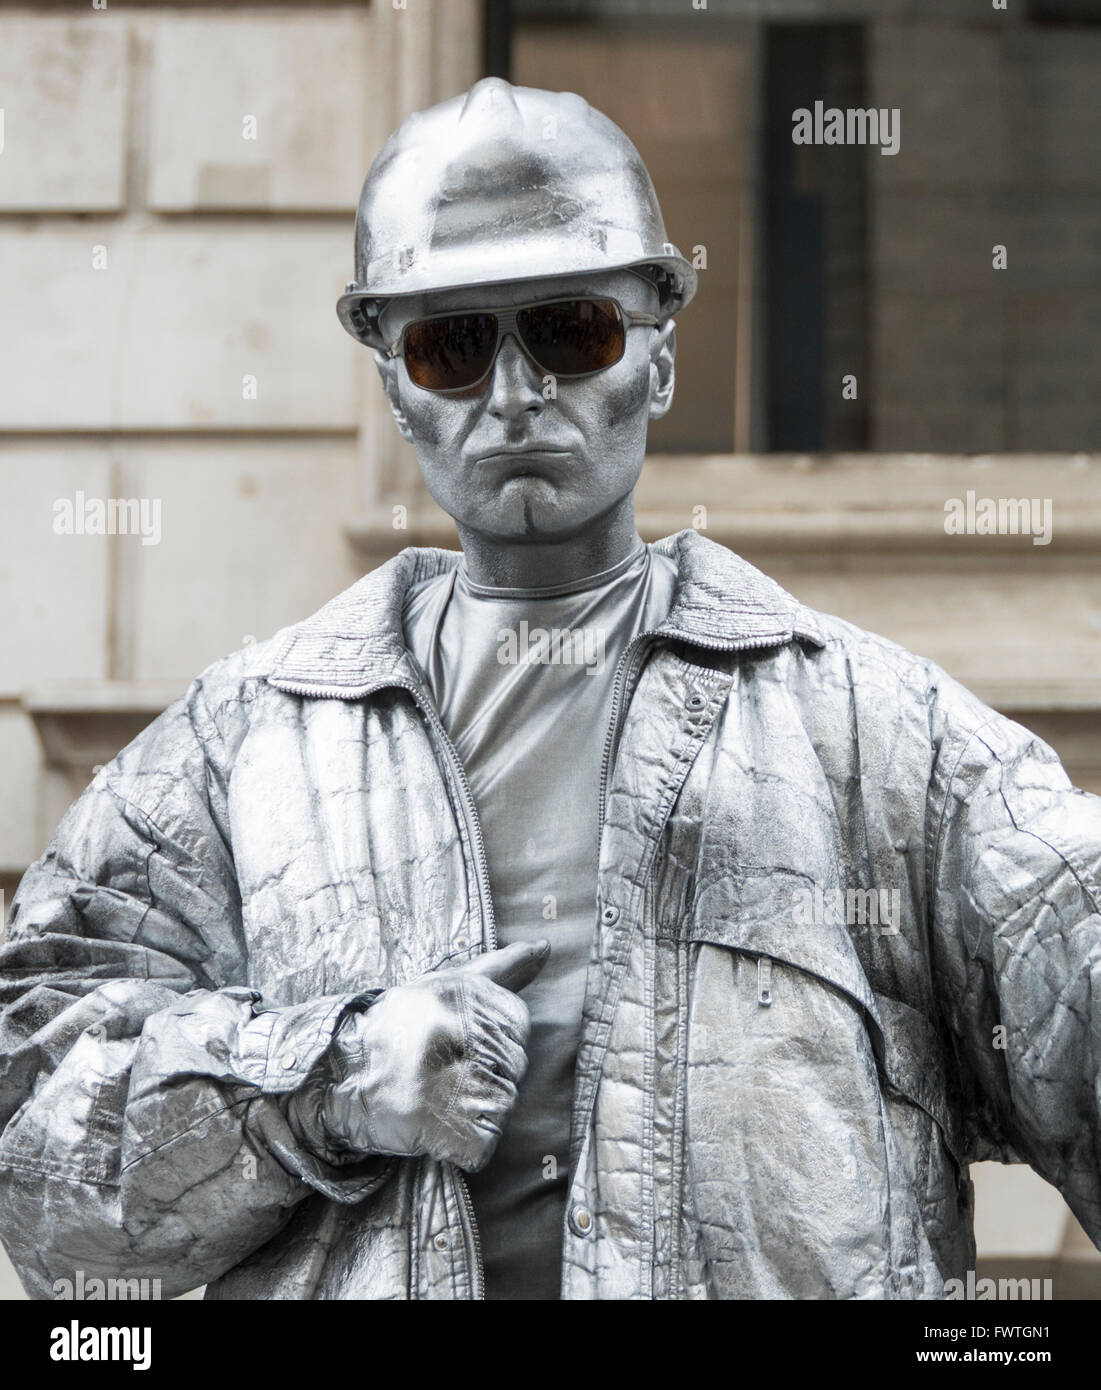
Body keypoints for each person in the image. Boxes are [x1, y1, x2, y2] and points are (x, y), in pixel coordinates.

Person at [2, 77, 1100, 1301]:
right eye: (453, 345)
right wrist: (328, 1074)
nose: (516, 394)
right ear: (396, 389)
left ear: (658, 357)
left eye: (570, 330)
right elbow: (33, 1156)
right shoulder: (239, 752)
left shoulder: (874, 737)